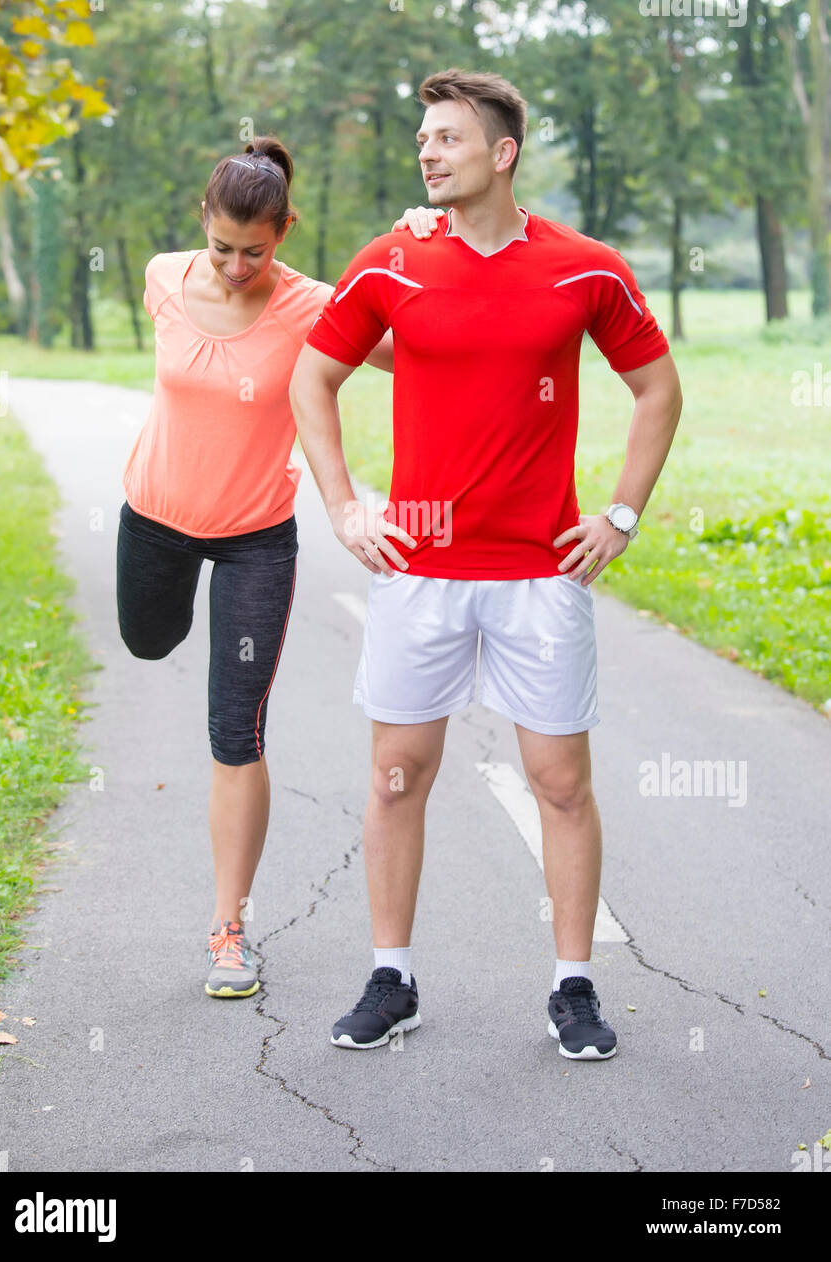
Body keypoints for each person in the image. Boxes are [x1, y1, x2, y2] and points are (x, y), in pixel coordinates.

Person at [289, 69, 683, 1058]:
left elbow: (656, 388)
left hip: (540, 572)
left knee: (556, 781)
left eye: (447, 138)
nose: (426, 151)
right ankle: (391, 976)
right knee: (394, 774)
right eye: (421, 137)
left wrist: (620, 514)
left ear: (501, 153)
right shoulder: (391, 261)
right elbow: (313, 374)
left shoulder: (583, 268)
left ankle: (574, 986)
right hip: (417, 565)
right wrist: (341, 503)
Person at [116, 136, 440, 998]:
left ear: (285, 231)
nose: (232, 266)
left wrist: (425, 244)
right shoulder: (161, 276)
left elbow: (418, 349)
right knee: (147, 642)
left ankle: (229, 929)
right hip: (154, 522)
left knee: (236, 730)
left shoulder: (309, 307)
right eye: (221, 246)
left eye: (254, 251)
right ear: (202, 225)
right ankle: (170, 609)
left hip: (257, 541)